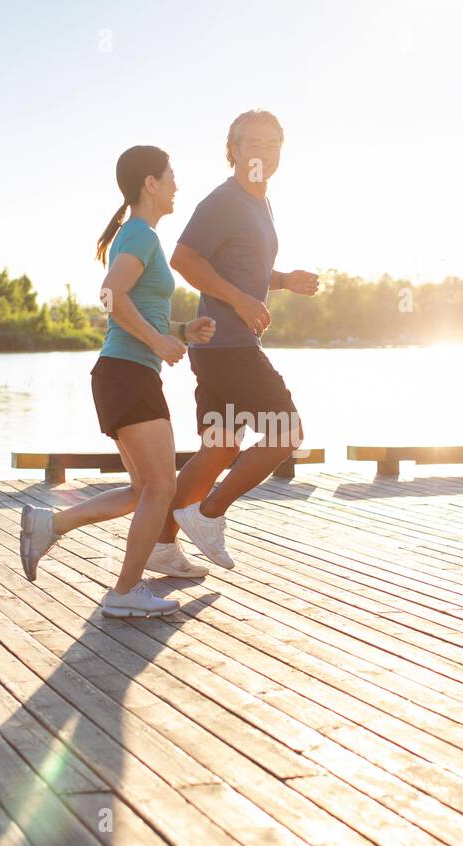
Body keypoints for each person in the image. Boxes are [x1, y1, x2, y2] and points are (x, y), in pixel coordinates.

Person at [19, 145, 215, 618]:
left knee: (142, 490)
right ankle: (124, 593)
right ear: (150, 183)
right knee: (161, 489)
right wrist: (157, 341)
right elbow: (111, 296)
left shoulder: (138, 235)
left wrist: (181, 333)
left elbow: (134, 310)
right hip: (127, 375)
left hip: (122, 373)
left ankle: (50, 526)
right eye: (171, 176)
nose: (176, 186)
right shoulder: (141, 235)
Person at [159, 109, 320, 569]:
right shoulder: (225, 200)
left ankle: (162, 545)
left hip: (219, 347)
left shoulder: (258, 202)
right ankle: (209, 515)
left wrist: (285, 280)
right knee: (286, 432)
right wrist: (242, 302)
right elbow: (185, 259)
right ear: (233, 151)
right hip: (228, 347)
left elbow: (240, 269)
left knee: (221, 445)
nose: (264, 153)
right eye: (254, 144)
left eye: (273, 144)